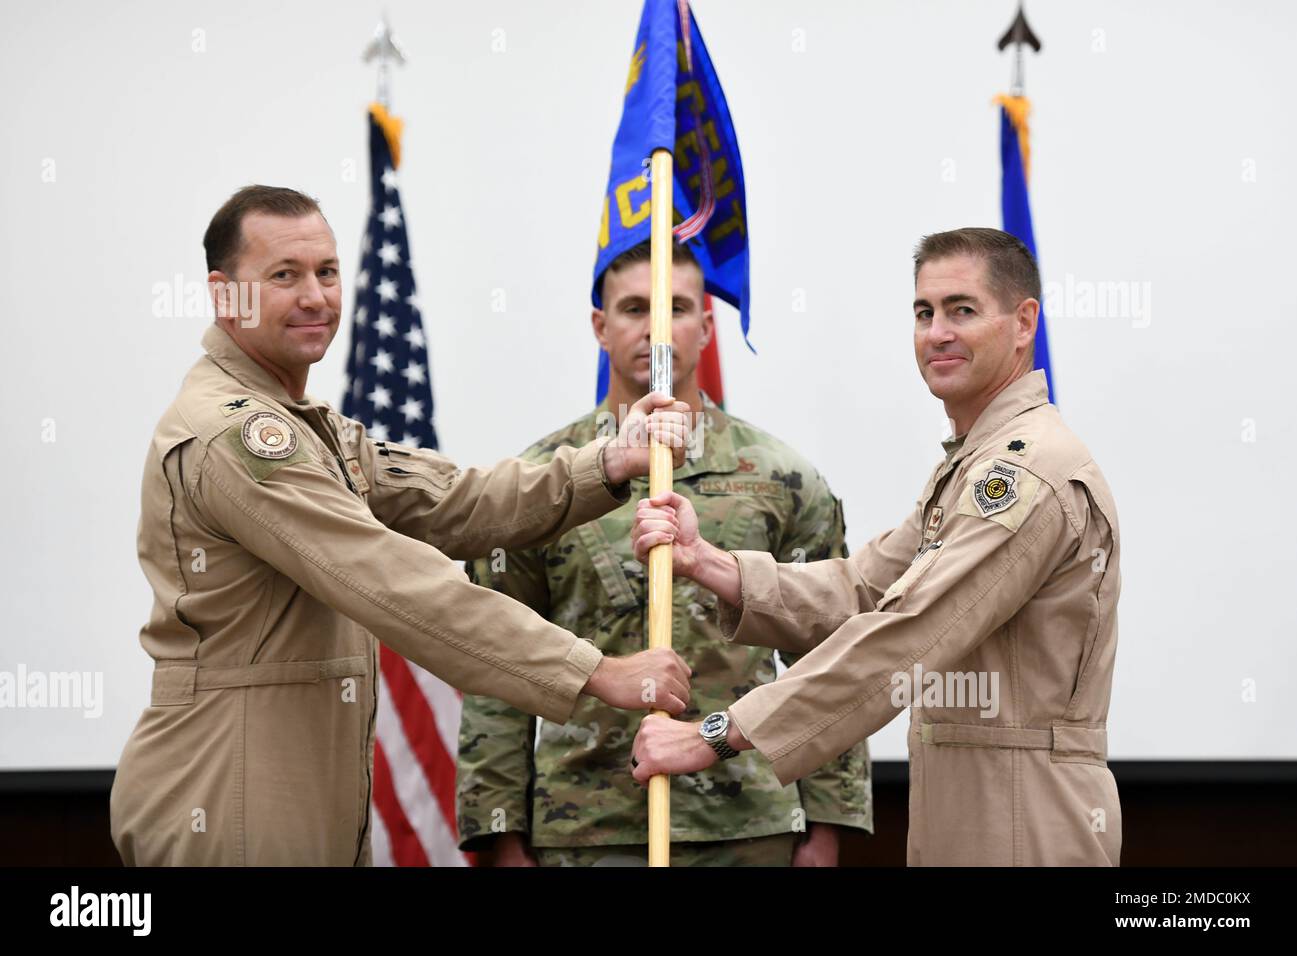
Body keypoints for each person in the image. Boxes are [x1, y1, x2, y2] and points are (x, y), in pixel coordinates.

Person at [111, 185, 694, 866]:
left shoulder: (308, 426)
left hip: (298, 791)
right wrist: (593, 671)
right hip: (231, 797)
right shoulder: (237, 436)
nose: (316, 297)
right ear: (224, 293)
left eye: (327, 272)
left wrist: (607, 463)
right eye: (284, 276)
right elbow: (393, 582)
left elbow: (458, 501)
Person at [629, 227, 1122, 866]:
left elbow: (907, 634)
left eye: (962, 310)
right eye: (924, 312)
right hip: (974, 806)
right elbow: (862, 589)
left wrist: (716, 735)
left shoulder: (1026, 472)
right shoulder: (976, 462)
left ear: (1024, 322)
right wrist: (707, 562)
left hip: (1027, 818)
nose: (937, 331)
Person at [456, 240, 872, 867]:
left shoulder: (782, 480)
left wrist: (829, 825)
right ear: (600, 326)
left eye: (675, 307)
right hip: (586, 828)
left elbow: (830, 655)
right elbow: (499, 665)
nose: (655, 328)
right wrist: (500, 836)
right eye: (633, 308)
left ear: (706, 328)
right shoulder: (542, 484)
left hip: (748, 822)